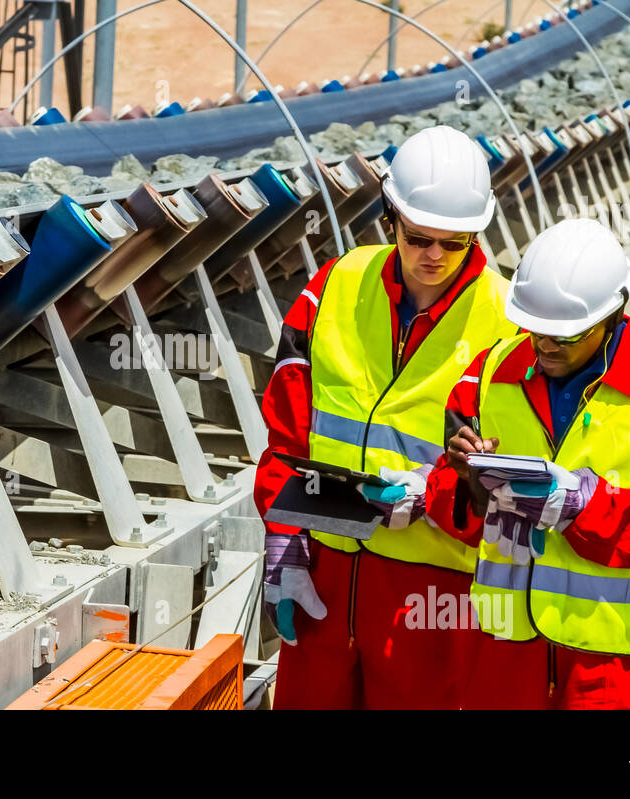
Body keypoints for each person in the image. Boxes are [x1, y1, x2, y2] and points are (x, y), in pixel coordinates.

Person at [255, 125, 519, 709]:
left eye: (455, 244)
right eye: (419, 236)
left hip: (431, 599)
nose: (434, 256)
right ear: (388, 214)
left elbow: (513, 482)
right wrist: (282, 530)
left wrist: (434, 494)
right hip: (322, 576)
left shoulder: (509, 326)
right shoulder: (335, 288)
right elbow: (287, 432)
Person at [425, 217, 630, 709]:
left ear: (612, 315)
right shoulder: (485, 375)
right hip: (504, 654)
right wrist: (464, 482)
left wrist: (584, 507)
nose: (543, 345)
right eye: (534, 329)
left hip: (617, 665)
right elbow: (455, 509)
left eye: (562, 337)